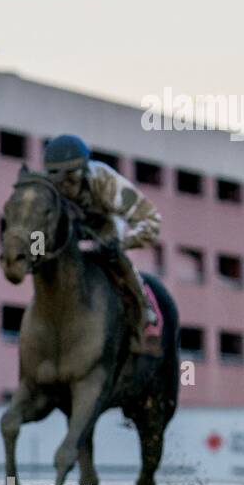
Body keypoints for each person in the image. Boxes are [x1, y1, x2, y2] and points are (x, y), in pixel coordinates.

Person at [43, 134, 162, 355]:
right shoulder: (45, 189)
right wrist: (36, 251)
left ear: (85, 171)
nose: (65, 187)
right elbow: (36, 228)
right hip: (67, 236)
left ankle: (145, 313)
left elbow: (150, 219)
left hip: (105, 229)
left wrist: (122, 242)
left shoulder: (106, 181)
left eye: (71, 178)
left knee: (116, 261)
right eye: (58, 180)